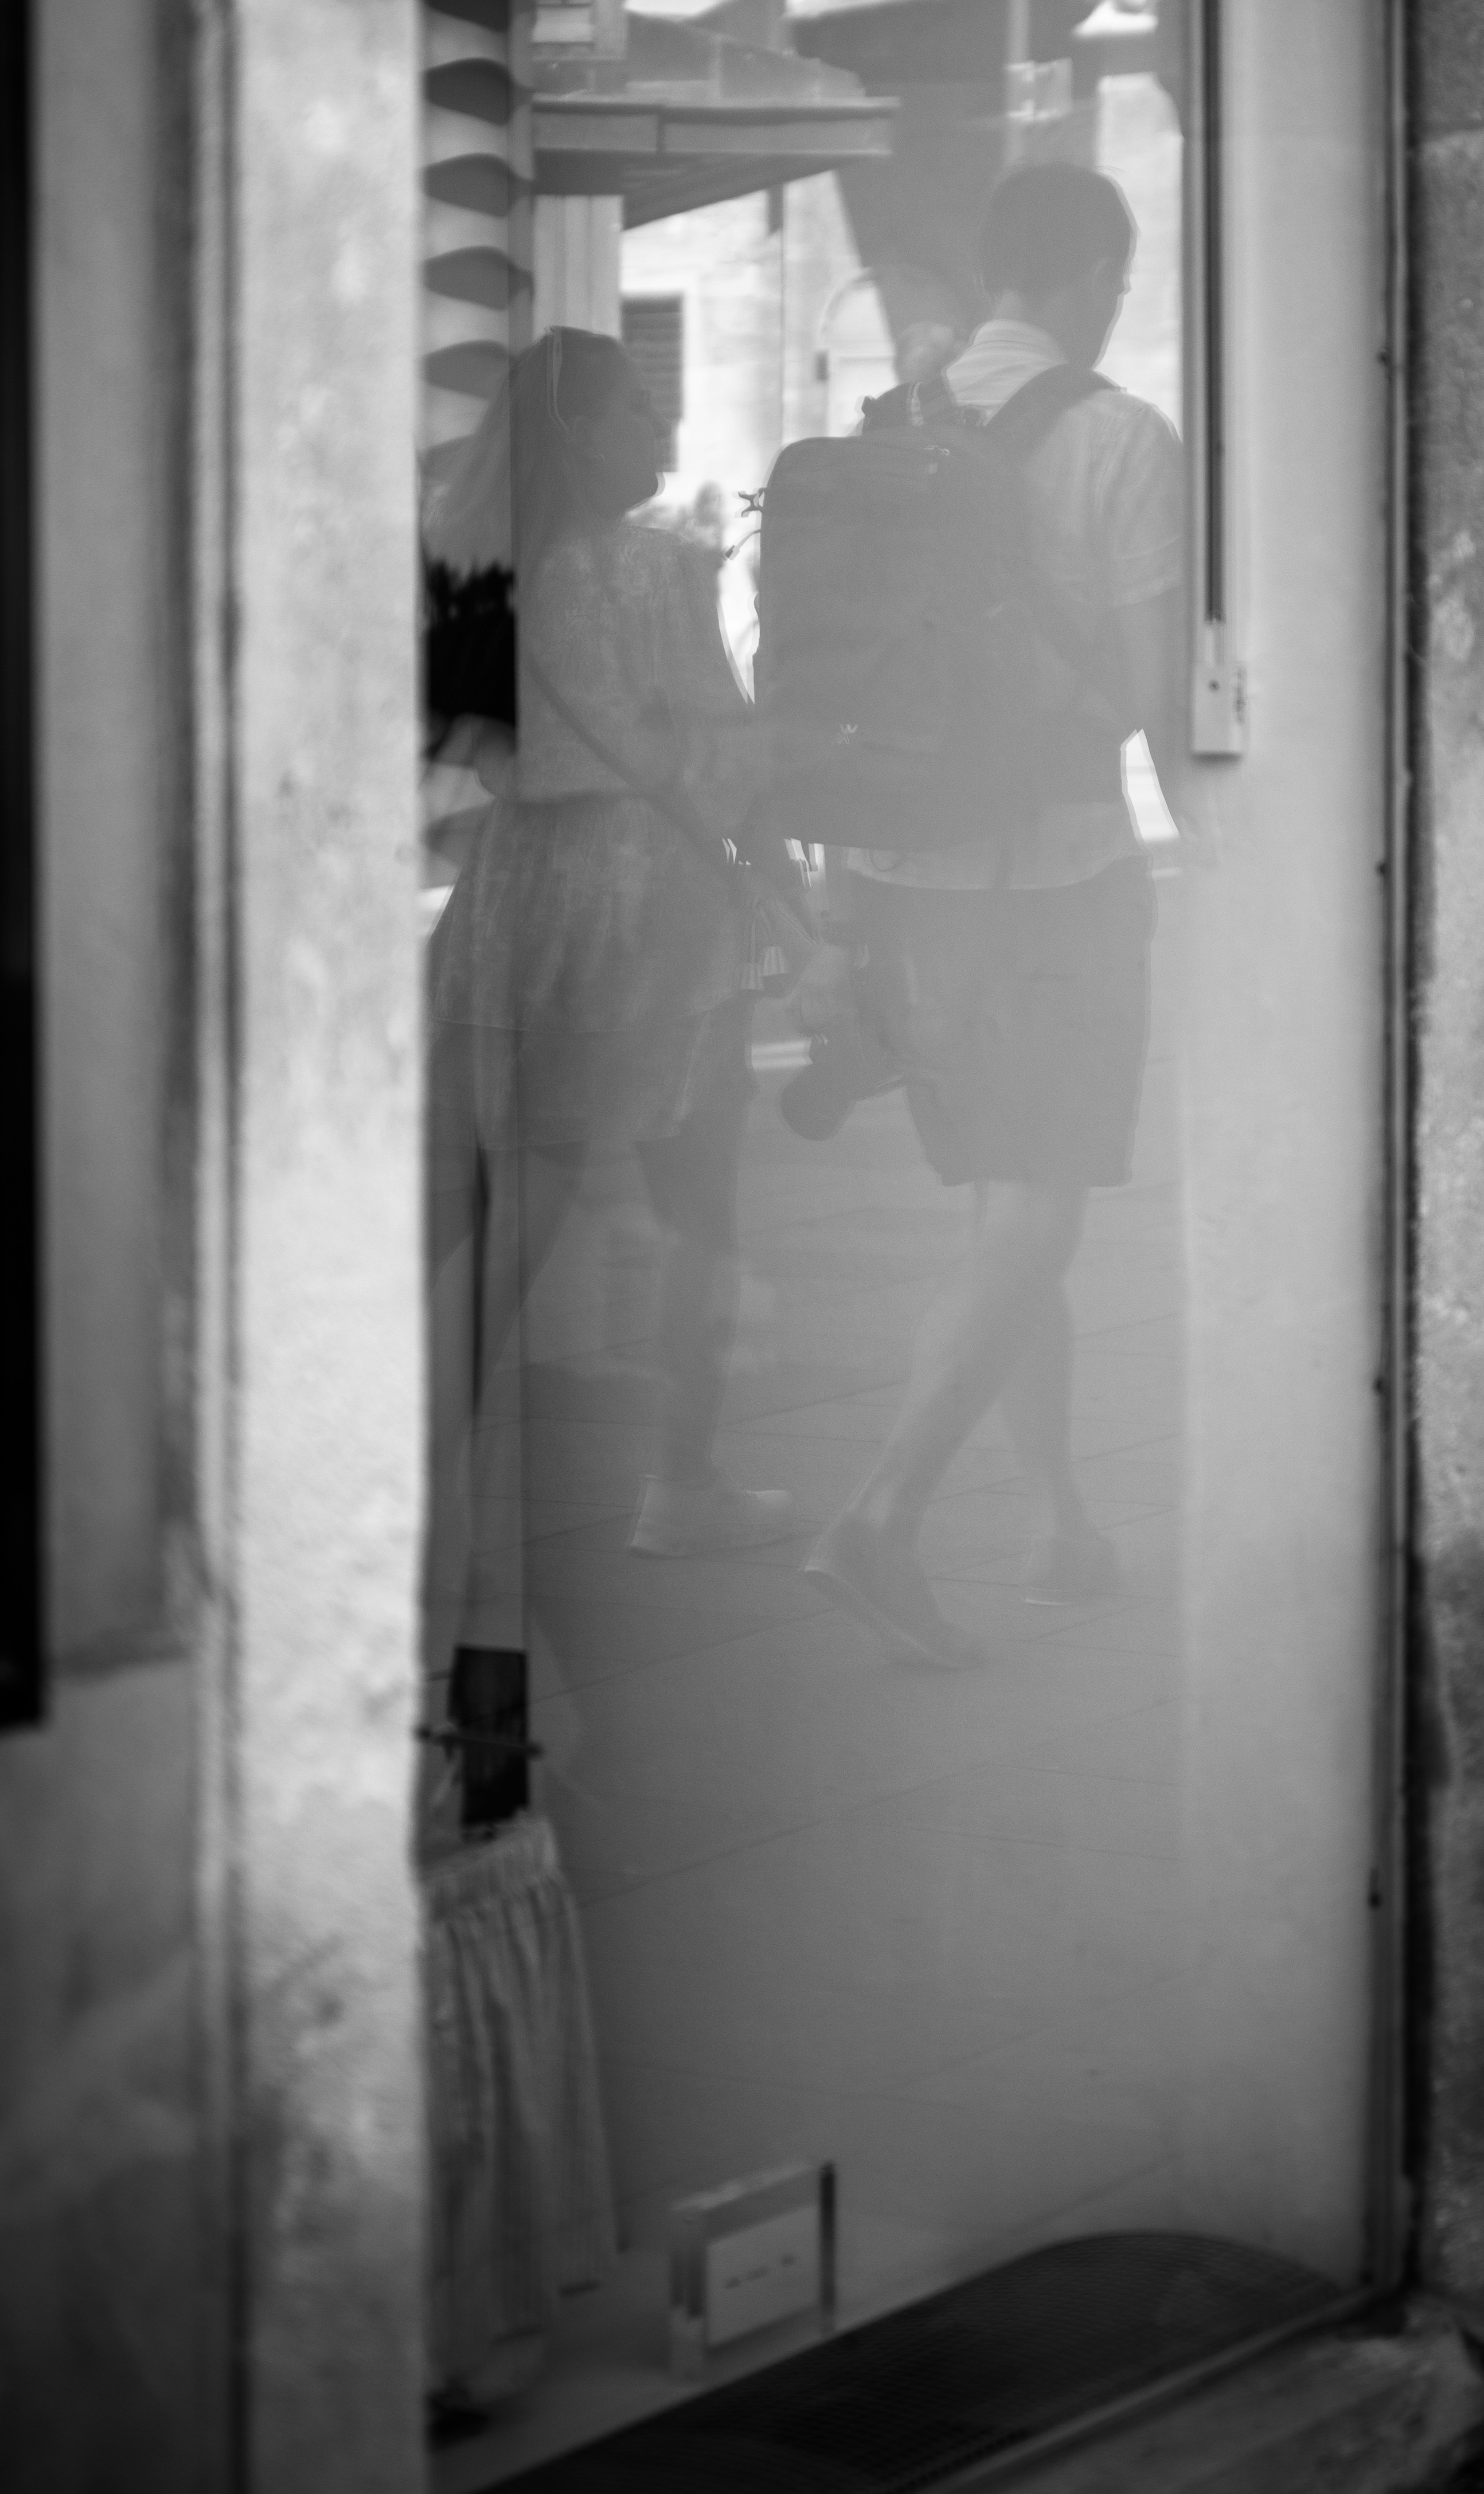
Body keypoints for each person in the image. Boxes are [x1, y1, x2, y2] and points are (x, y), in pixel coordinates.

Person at [801, 164, 1184, 1666]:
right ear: (1090, 275)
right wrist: (1228, 843)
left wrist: (841, 906)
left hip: (906, 882)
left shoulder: (901, 421)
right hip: (1053, 880)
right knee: (1035, 1209)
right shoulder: (1118, 438)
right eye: (1118, 283)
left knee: (1007, 1210)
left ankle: (1056, 1520)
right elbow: (1153, 694)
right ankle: (880, 1515)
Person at [422, 329, 800, 1796]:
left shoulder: (487, 568)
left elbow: (464, 751)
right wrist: (785, 869)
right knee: (699, 1193)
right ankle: (680, 1476)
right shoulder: (655, 569)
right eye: (642, 408)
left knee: (514, 1201)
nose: (665, 426)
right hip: (648, 903)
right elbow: (727, 761)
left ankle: (432, 1450)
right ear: (584, 435)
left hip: (518, 893)